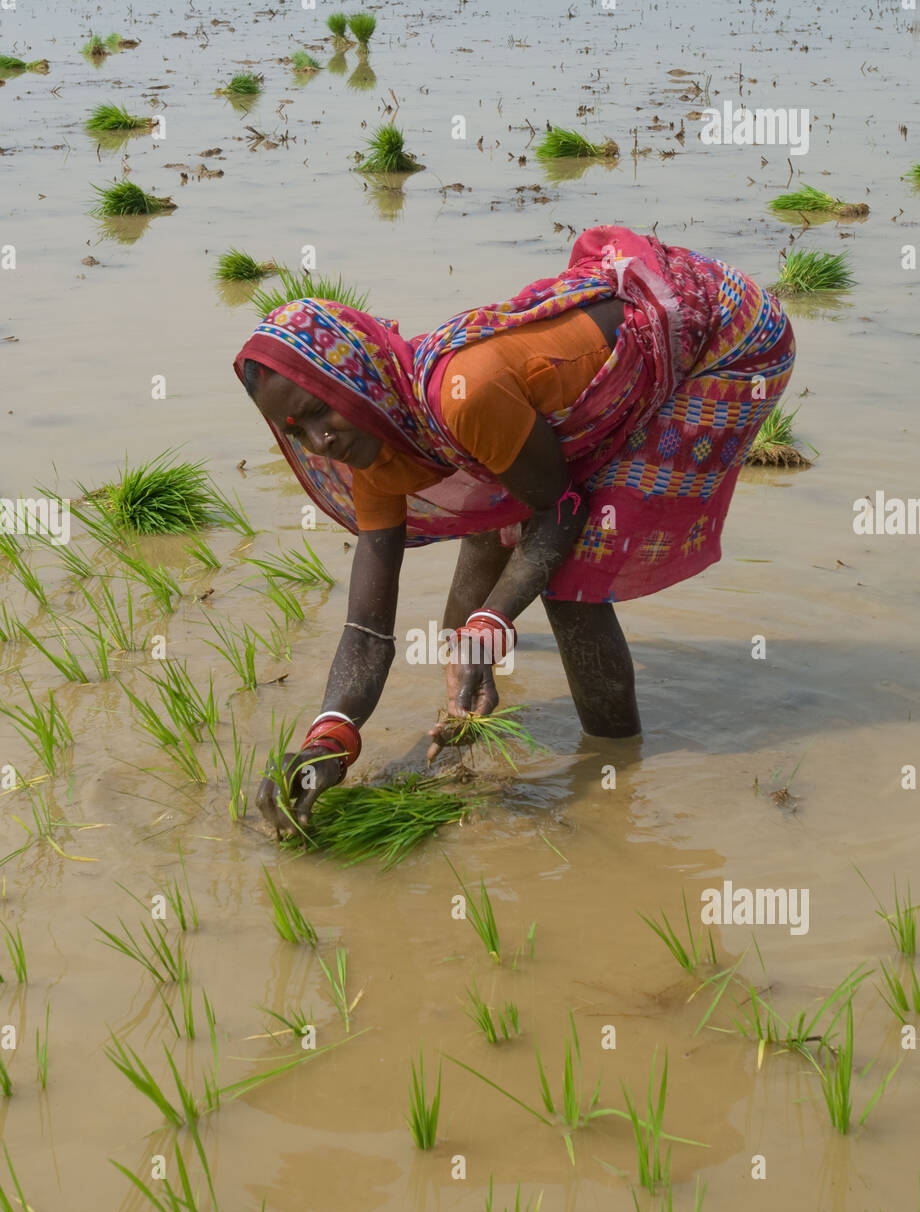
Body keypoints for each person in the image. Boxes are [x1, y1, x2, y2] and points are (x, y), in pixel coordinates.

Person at [234, 224, 795, 836]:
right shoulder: (377, 446)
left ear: (354, 378)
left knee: (570, 581)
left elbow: (563, 509)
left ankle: (614, 767)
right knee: (495, 527)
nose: (321, 441)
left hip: (723, 336)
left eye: (319, 411)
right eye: (297, 432)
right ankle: (476, 691)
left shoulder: (465, 396)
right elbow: (367, 632)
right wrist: (329, 740)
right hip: (597, 360)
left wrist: (491, 621)